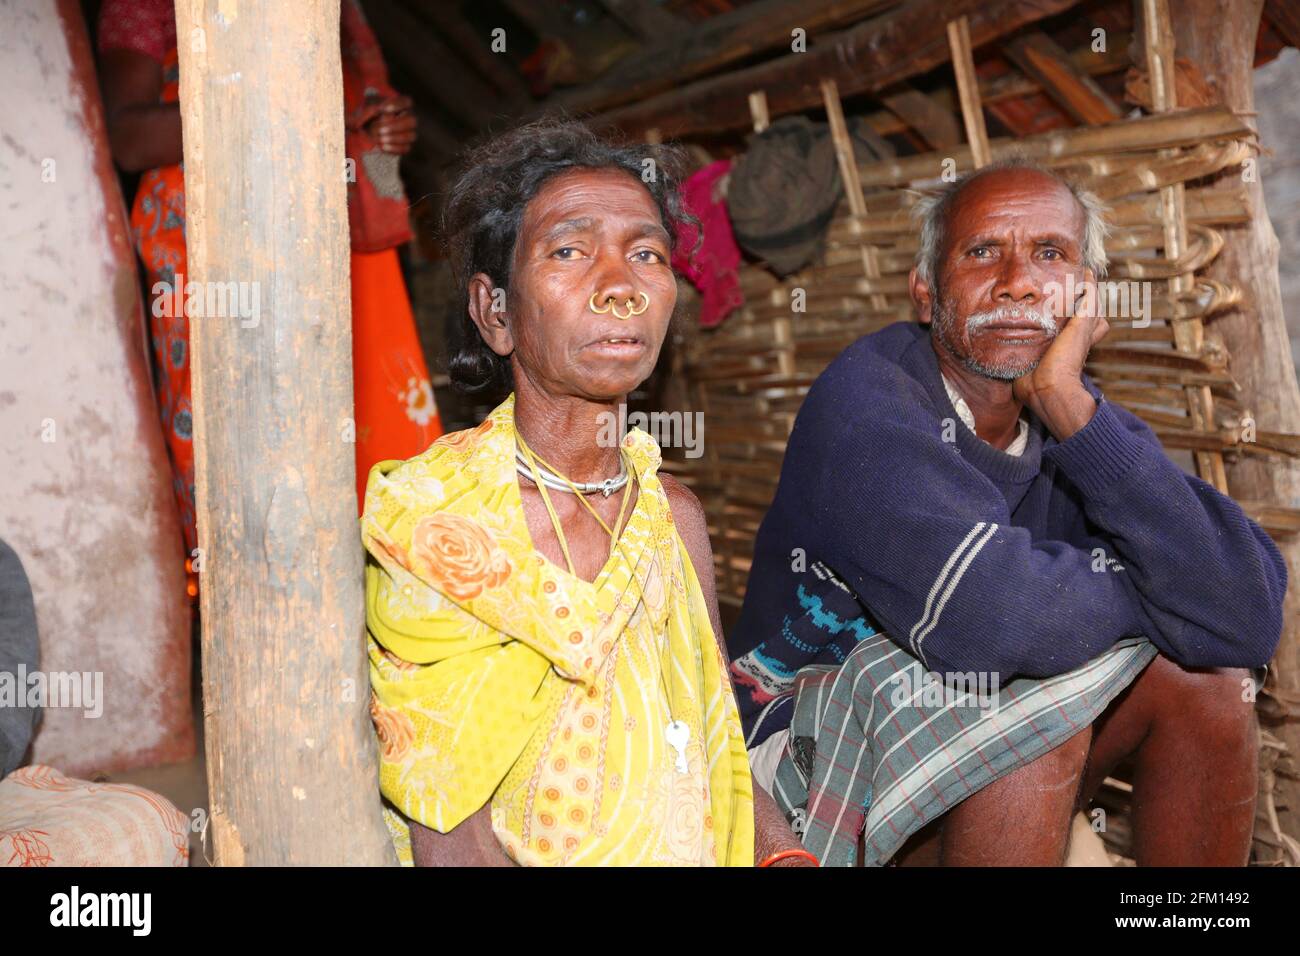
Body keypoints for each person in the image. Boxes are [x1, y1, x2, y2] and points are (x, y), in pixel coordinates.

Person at [727, 157, 1287, 866]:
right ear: (927, 294)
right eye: (983, 251)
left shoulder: (1076, 427)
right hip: (800, 755)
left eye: (1050, 254)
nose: (1018, 281)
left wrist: (1073, 410)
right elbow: (988, 621)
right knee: (1025, 708)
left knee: (1208, 683)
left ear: (1086, 296)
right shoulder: (867, 402)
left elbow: (1244, 611)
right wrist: (1154, 587)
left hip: (957, 746)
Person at [361, 119, 811, 866]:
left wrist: (782, 854)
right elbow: (448, 832)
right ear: (496, 312)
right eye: (570, 251)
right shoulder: (439, 520)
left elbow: (711, 743)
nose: (620, 286)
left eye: (646, 254)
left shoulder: (673, 519)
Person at [97, 0, 441, 604]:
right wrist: (272, 103)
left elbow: (380, 178)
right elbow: (126, 138)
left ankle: (393, 625)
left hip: (332, 242)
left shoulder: (329, 12)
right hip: (212, 248)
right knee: (243, 461)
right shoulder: (146, 5)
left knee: (362, 447)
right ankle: (255, 621)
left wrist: (380, 142)